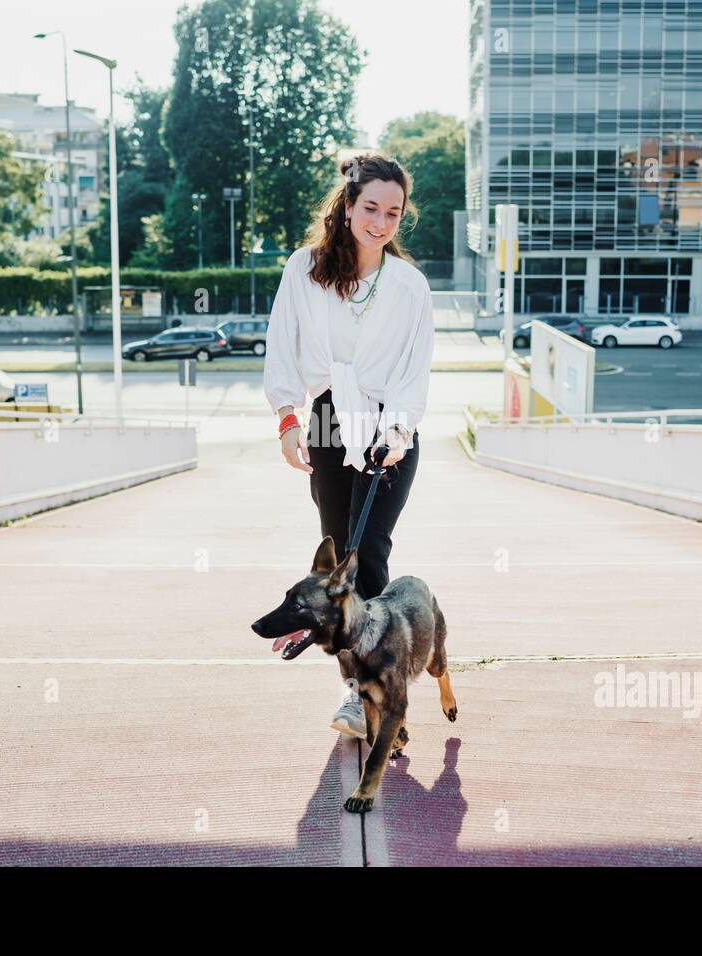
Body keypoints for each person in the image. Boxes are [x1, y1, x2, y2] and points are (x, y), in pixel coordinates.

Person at [262, 150, 435, 739]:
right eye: (371, 208)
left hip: (390, 425)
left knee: (372, 552)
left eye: (393, 212)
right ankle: (362, 684)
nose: (381, 223)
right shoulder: (304, 269)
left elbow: (416, 369)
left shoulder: (410, 285)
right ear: (348, 204)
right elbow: (281, 345)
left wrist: (398, 431)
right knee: (338, 558)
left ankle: (366, 695)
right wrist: (287, 420)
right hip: (330, 420)